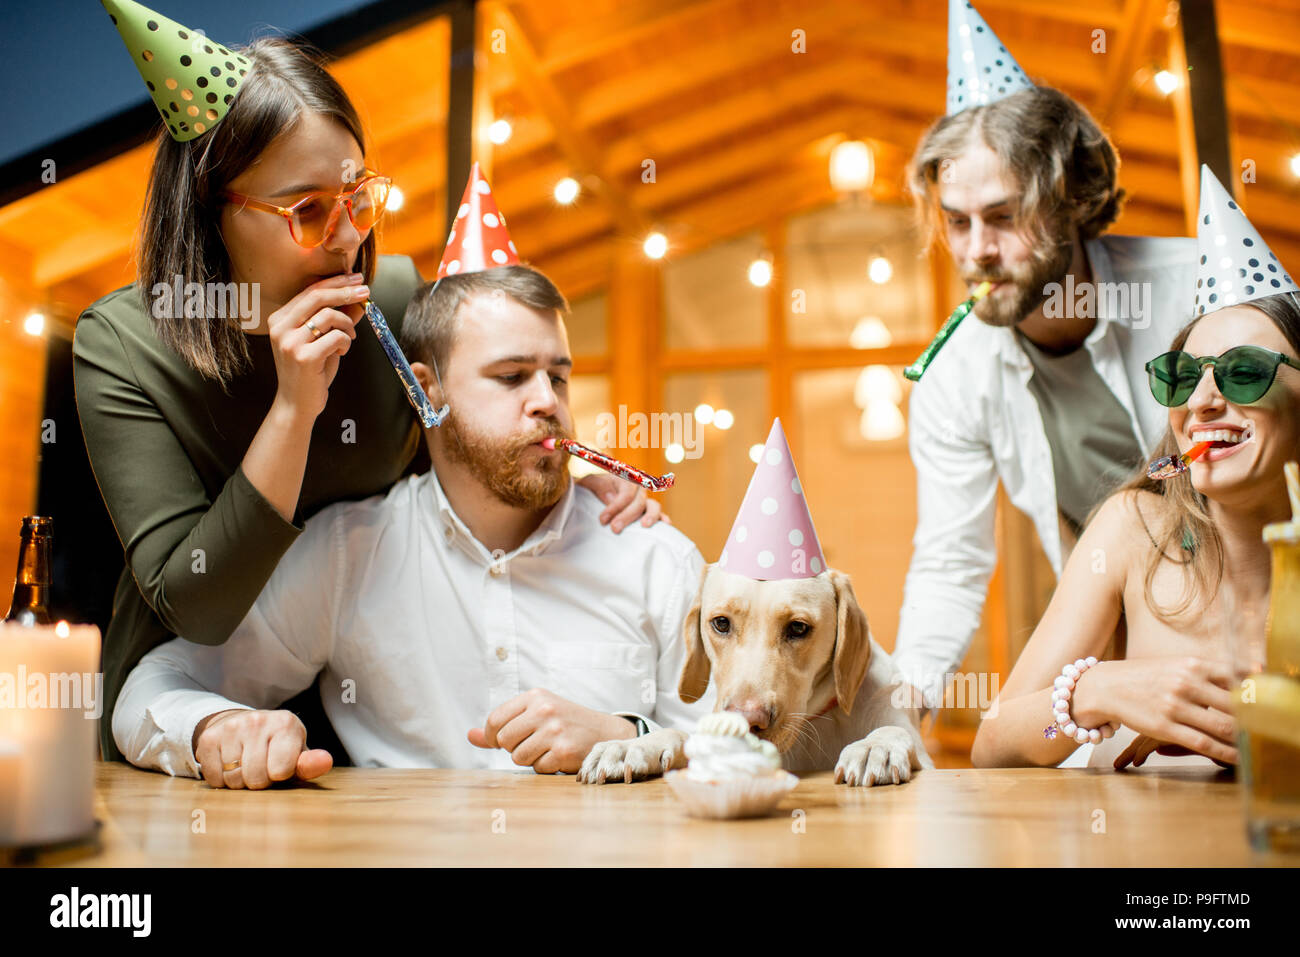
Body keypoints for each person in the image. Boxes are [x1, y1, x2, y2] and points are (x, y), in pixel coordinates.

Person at [76, 6, 659, 763]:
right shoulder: (123, 346)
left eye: (357, 197)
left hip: (361, 713)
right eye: (309, 210)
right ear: (210, 210)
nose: (349, 236)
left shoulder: (389, 301)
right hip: (191, 711)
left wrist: (565, 475)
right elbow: (200, 604)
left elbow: (465, 459)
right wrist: (294, 406)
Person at [112, 264, 713, 787]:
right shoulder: (350, 554)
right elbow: (154, 687)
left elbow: (745, 750)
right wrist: (214, 729)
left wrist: (627, 737)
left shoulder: (656, 557)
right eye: (511, 376)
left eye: (558, 376)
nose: (548, 401)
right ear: (427, 391)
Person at [892, 0, 1197, 710]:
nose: (976, 252)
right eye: (957, 223)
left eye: (1004, 217)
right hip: (1119, 667)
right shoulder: (952, 378)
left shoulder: (1194, 292)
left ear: (1070, 198)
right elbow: (950, 560)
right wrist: (899, 708)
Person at [972, 167, 1300, 769]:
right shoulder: (1134, 529)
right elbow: (996, 746)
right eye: (1181, 378)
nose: (1201, 402)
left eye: (1244, 371)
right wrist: (1099, 691)